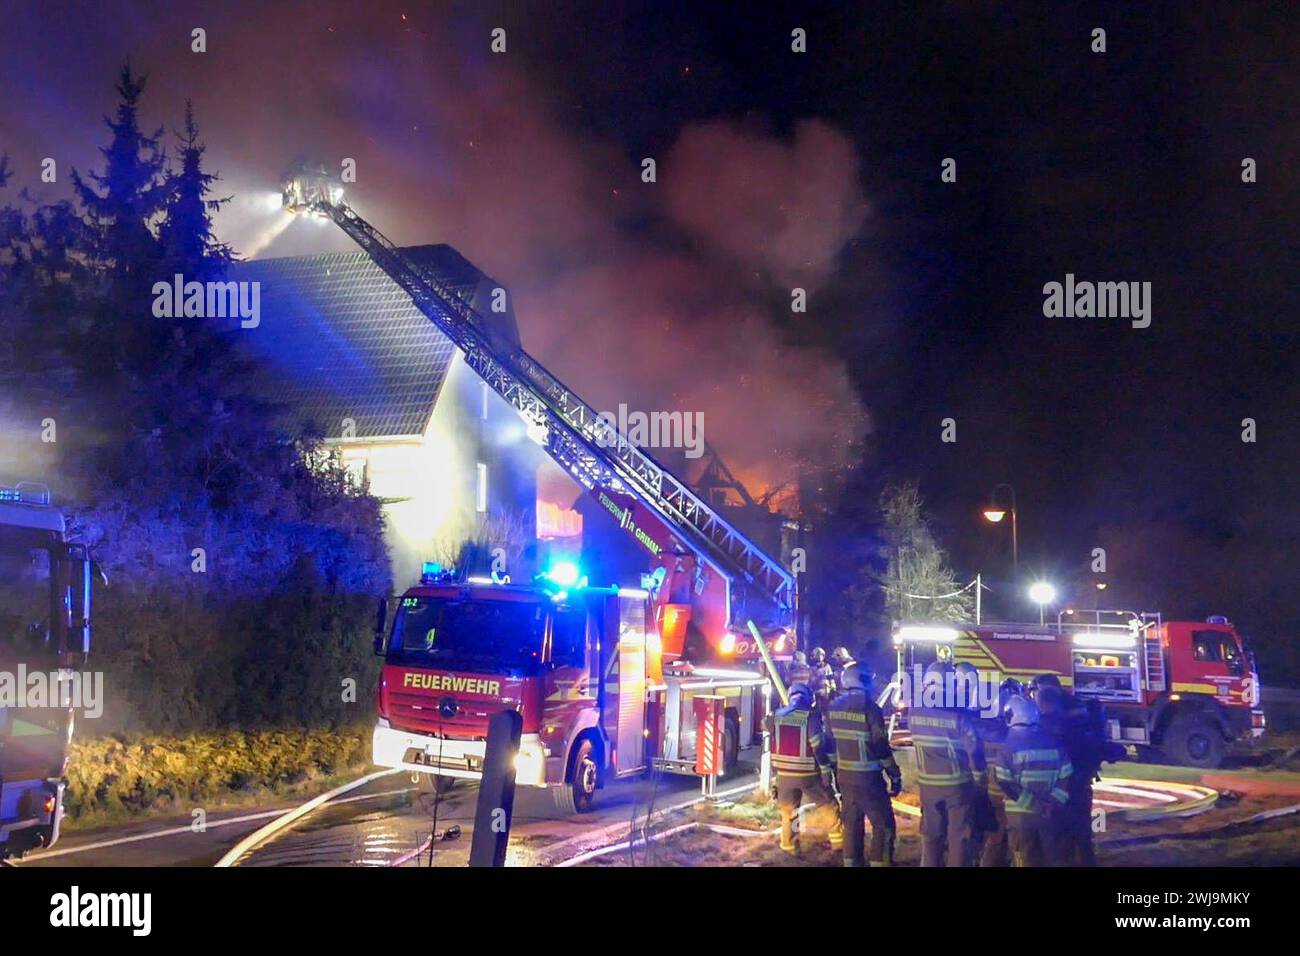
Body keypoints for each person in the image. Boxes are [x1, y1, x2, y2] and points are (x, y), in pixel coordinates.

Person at [824, 662, 901, 866]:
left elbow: (829, 746)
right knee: (883, 826)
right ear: (862, 681)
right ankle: (879, 862)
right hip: (869, 780)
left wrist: (833, 772)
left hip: (845, 778)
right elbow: (881, 746)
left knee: (851, 825)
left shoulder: (833, 708)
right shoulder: (870, 708)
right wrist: (894, 774)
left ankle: (852, 863)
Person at [910, 660, 984, 866]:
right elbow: (973, 749)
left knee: (931, 835)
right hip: (957, 786)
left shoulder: (914, 711)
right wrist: (979, 780)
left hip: (928, 785)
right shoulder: (959, 713)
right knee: (959, 836)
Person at [1035, 682, 1115, 865]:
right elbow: (1103, 750)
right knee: (1082, 835)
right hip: (1081, 785)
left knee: (1062, 836)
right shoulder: (1083, 728)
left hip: (1063, 790)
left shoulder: (1052, 728)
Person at [996, 695, 1072, 866]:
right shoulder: (1054, 743)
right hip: (1051, 815)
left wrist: (1035, 805)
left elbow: (1005, 783)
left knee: (1024, 858)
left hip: (1021, 817)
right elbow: (1066, 776)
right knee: (1054, 859)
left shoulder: (1007, 746)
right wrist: (1052, 804)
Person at [769, 681, 838, 854]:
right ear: (808, 699)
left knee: (789, 813)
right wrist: (825, 769)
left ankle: (789, 847)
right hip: (808, 773)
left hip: (783, 775)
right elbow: (816, 744)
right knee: (828, 805)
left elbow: (771, 735)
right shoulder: (810, 716)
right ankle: (839, 845)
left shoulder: (777, 715)